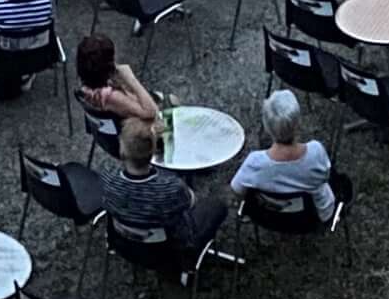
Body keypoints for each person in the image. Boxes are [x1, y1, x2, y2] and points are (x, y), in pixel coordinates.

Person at [97, 113, 219, 260]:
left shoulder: (107, 177)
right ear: (153, 150)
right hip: (170, 254)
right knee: (217, 206)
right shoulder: (171, 187)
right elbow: (191, 202)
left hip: (124, 246)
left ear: (122, 150)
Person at [231, 85, 340, 217]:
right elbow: (325, 177)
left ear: (267, 127)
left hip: (268, 216)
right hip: (312, 217)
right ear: (298, 124)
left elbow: (237, 189)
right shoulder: (316, 153)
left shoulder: (254, 163)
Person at [73, 31, 162, 149]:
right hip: (129, 143)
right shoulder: (111, 97)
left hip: (104, 135)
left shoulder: (84, 86)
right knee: (170, 100)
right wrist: (131, 78)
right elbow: (151, 112)